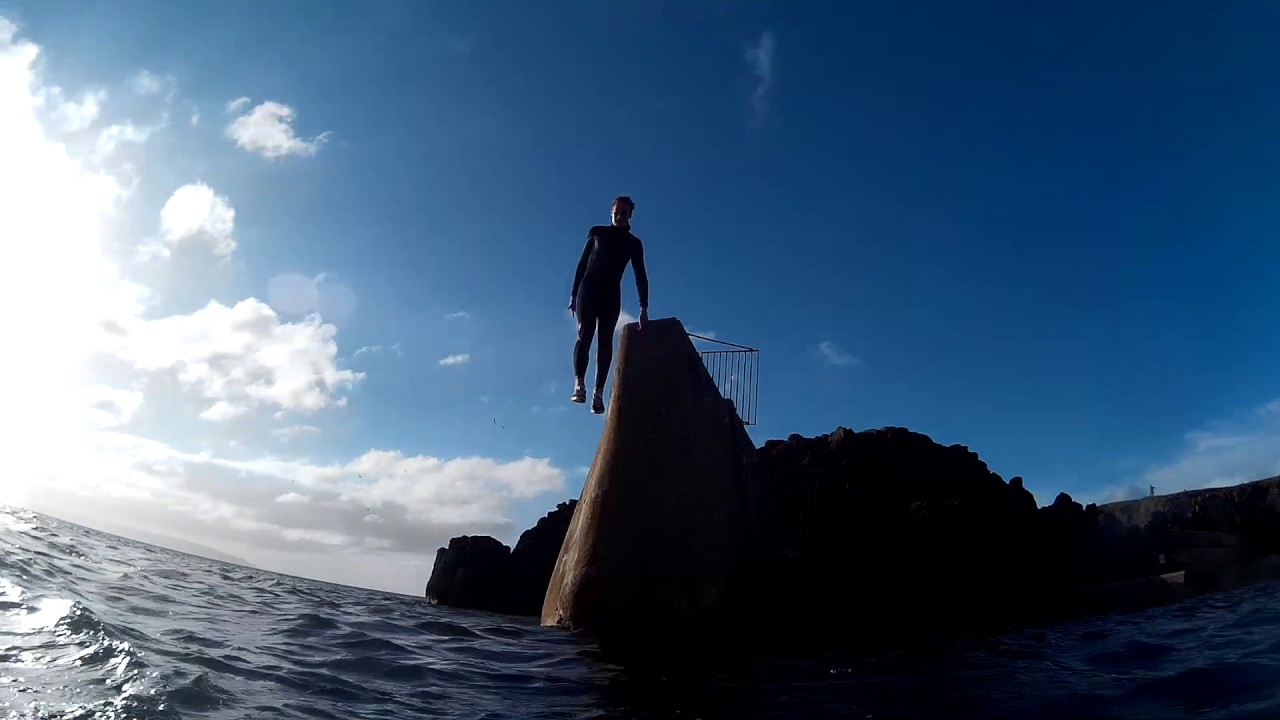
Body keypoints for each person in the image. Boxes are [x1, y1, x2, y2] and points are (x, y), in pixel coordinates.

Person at [568, 195, 649, 414]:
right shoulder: (597, 232)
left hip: (610, 297)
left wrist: (643, 306)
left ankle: (598, 394)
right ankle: (579, 385)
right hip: (588, 291)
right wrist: (573, 294)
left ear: (630, 216)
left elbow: (640, 275)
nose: (620, 216)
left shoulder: (633, 244)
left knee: (605, 342)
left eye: (625, 213)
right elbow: (582, 263)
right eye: (617, 212)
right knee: (585, 335)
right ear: (611, 212)